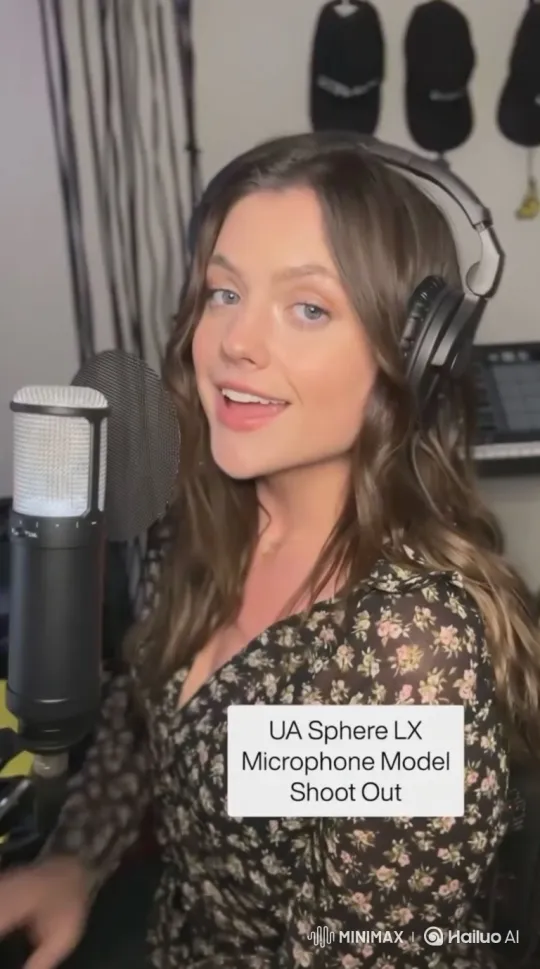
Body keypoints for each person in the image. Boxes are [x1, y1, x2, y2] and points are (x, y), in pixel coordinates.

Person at [1, 131, 539, 969]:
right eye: (223, 292)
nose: (236, 343)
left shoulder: (406, 652)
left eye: (308, 307)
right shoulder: (206, 520)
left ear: (410, 353)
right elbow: (147, 724)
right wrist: (77, 859)